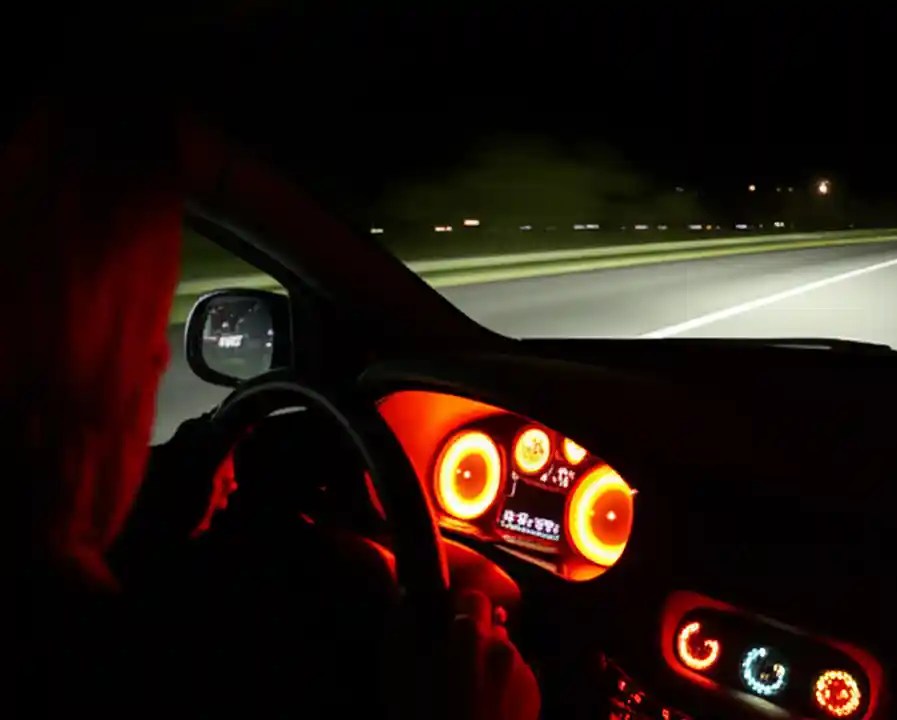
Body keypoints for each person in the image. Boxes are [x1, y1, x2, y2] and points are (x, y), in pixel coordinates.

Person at [7, 100, 538, 719]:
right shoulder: (98, 668)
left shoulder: (52, 618)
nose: (157, 363)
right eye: (146, 332)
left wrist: (155, 509)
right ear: (73, 369)